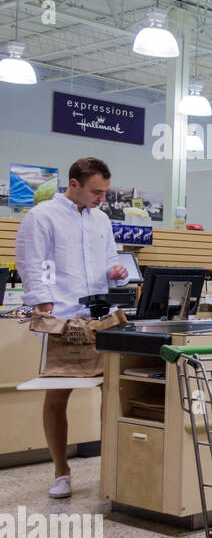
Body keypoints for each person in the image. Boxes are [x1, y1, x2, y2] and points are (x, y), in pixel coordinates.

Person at [15, 157, 128, 499]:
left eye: (105, 192)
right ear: (74, 184)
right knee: (58, 393)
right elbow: (30, 262)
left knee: (109, 390)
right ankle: (61, 470)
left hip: (99, 315)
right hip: (60, 316)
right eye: (96, 191)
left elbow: (111, 257)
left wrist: (116, 271)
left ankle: (111, 464)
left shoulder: (102, 219)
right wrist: (41, 303)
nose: (101, 199)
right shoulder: (42, 216)